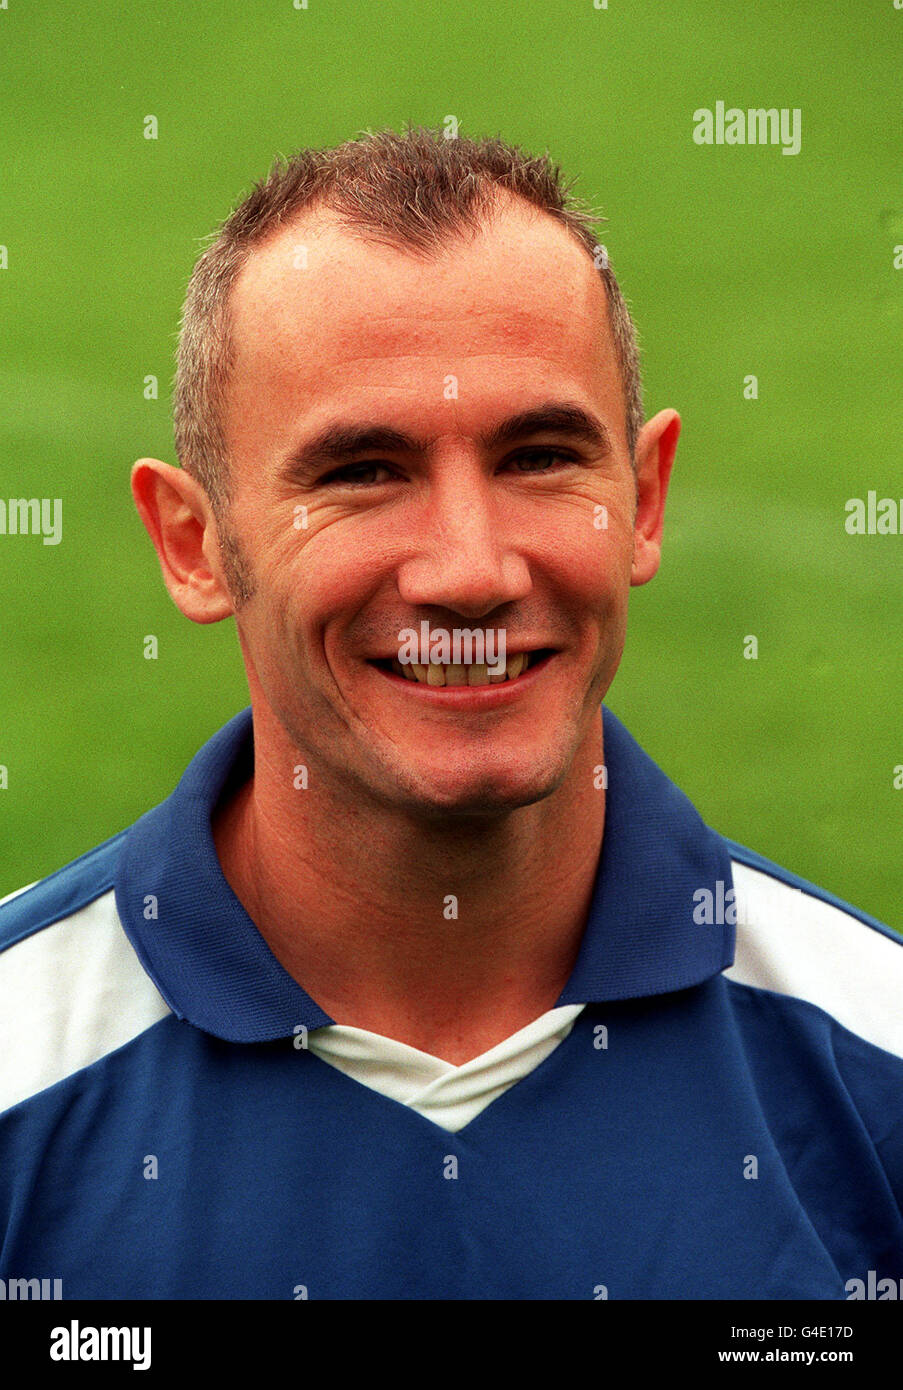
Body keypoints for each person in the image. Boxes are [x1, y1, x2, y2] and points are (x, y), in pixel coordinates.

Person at [1, 127, 900, 1301]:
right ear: (194, 542)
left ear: (645, 499)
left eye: (539, 455)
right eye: (362, 472)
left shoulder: (873, 1061)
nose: (470, 570)